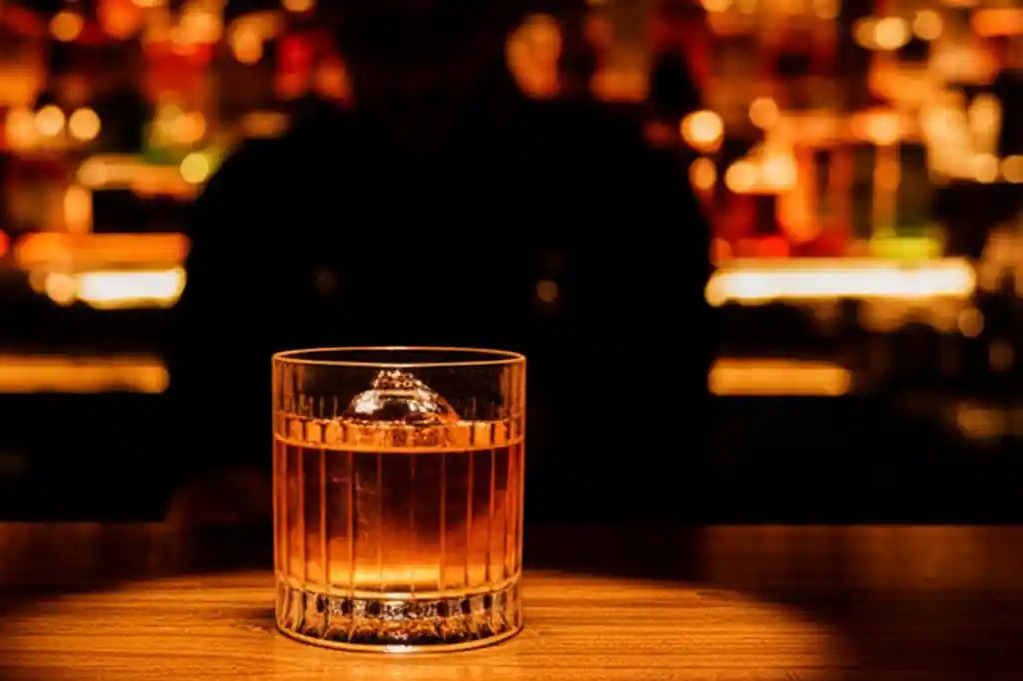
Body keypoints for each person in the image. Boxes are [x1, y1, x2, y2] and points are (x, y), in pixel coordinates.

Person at [169, 0, 716, 522]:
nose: (418, 79)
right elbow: (203, 439)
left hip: (584, 568)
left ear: (501, 18)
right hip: (332, 567)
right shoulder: (257, 192)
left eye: (447, 34)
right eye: (383, 38)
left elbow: (664, 441)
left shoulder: (625, 185)